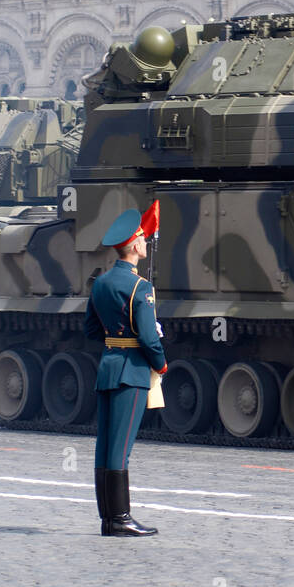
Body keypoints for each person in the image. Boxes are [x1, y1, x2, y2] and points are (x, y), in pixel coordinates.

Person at [85, 202, 167, 537]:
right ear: (133, 245)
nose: (146, 243)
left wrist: (117, 335)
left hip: (108, 366)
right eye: (143, 239)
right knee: (121, 448)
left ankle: (108, 518)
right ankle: (120, 519)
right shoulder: (140, 288)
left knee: (106, 445)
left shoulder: (100, 283)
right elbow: (148, 338)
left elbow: (92, 330)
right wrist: (160, 362)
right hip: (132, 371)